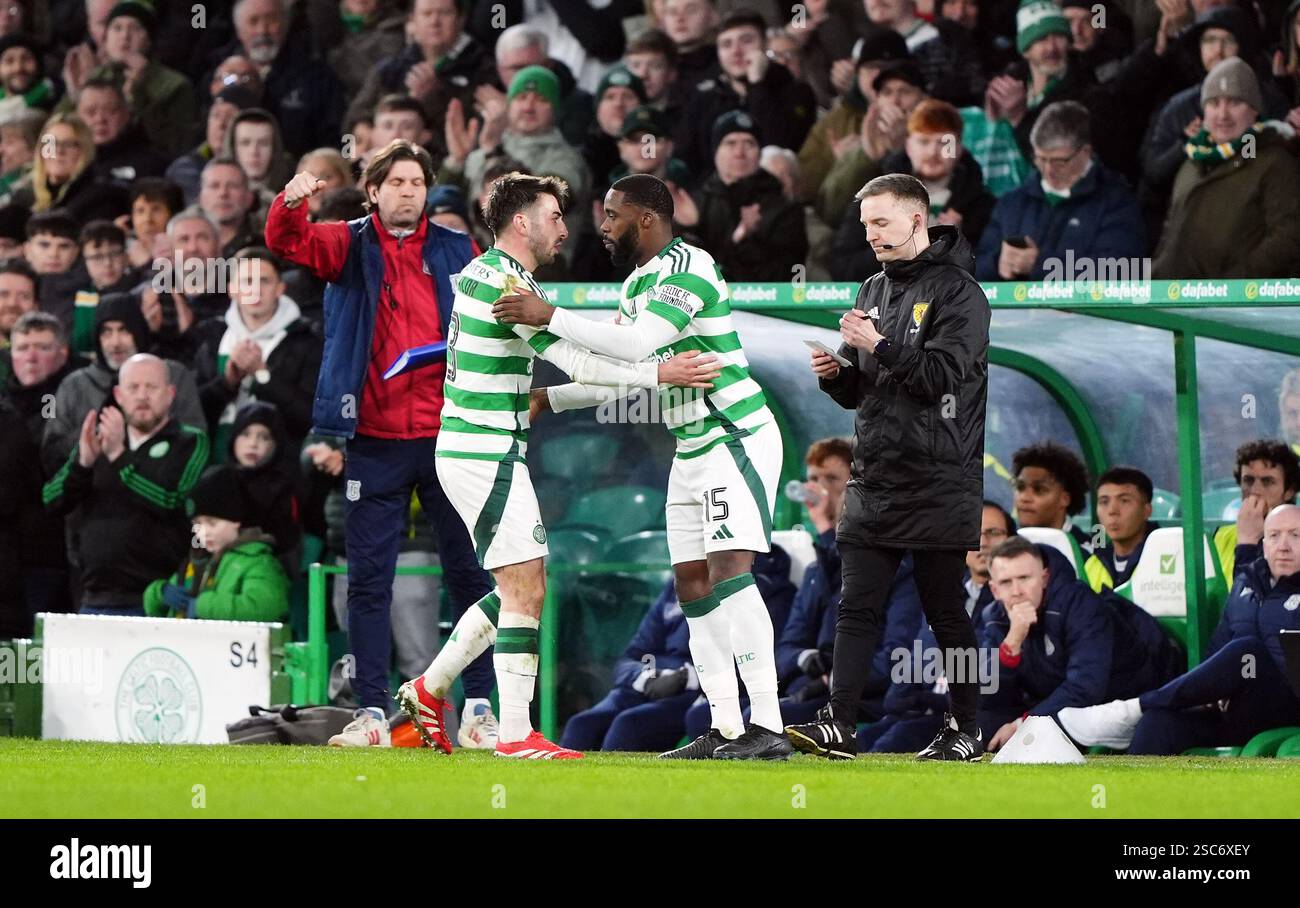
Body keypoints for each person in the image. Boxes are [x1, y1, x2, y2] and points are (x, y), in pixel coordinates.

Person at [393, 171, 717, 759]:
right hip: (480, 449)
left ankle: (428, 688)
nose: (565, 229)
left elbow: (573, 356)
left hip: (485, 447)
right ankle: (515, 734)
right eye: (554, 216)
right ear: (523, 222)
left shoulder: (496, 275)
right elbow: (574, 360)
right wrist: (657, 372)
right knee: (526, 586)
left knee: (516, 586)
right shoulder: (502, 284)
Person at [493, 173, 793, 761]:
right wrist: (550, 398)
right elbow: (626, 371)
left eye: (613, 215)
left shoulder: (689, 269)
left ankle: (770, 725)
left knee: (731, 572)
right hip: (690, 445)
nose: (602, 228)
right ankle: (726, 726)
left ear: (648, 218)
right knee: (691, 584)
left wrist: (547, 313)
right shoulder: (637, 285)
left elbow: (636, 347)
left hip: (735, 435)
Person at [261, 141, 499, 748]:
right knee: (369, 580)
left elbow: (480, 329)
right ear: (373, 192)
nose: (407, 192)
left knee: (470, 573)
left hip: (449, 435)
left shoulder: (455, 249)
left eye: (417, 182)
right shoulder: (346, 242)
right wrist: (291, 204)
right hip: (374, 438)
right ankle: (371, 713)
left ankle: (478, 709)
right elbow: (288, 241)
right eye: (395, 182)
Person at [784, 172, 990, 762]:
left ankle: (967, 728)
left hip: (939, 474)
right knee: (855, 604)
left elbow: (940, 379)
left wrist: (879, 345)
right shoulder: (871, 288)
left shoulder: (961, 293)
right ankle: (839, 724)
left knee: (945, 610)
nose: (870, 234)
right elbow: (864, 390)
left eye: (881, 222)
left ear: (916, 219)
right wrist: (837, 375)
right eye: (865, 224)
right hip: (875, 475)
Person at [1059, 504, 1300, 755]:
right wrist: (1209, 693)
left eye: (1295, 535)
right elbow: (1217, 650)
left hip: (1289, 708)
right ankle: (1128, 791)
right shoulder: (1244, 585)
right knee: (1158, 722)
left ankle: (1133, 708)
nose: (1283, 545)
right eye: (1274, 535)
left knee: (1248, 651)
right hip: (1238, 709)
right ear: (1264, 543)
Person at [42, 352, 209, 615]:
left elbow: (171, 499)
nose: (142, 396)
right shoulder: (97, 442)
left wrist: (119, 457)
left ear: (170, 393)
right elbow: (51, 500)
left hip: (159, 598)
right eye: (134, 387)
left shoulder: (190, 442)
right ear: (119, 396)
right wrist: (83, 464)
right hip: (95, 597)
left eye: (151, 387)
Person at [979, 535, 1181, 750]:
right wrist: (1012, 642)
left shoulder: (1081, 605)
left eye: (1024, 578)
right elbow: (984, 695)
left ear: (1044, 577)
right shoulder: (994, 618)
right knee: (978, 727)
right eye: (1006, 582)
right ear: (995, 590)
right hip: (1052, 705)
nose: (1017, 591)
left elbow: (1085, 687)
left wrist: (1024, 723)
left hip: (1113, 703)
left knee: (1034, 739)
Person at [1151, 57, 1300, 279]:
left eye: (1234, 102)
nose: (1222, 114)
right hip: (1175, 298)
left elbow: (1288, 236)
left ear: (1254, 111)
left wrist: (1235, 282)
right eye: (1214, 103)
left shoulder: (1275, 162)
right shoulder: (1191, 162)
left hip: (1233, 306)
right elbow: (1169, 234)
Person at [974, 100, 1144, 281]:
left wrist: (1042, 266)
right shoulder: (1013, 203)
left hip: (1081, 310)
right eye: (1040, 159)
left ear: (1085, 152)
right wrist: (997, 263)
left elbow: (1123, 270)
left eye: (1059, 161)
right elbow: (975, 268)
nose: (1048, 170)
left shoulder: (1116, 203)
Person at [143, 463, 289, 622]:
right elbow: (153, 609)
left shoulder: (258, 562)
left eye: (212, 523)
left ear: (236, 521)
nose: (203, 532)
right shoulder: (196, 561)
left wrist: (201, 606)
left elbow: (267, 607)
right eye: (197, 524)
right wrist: (159, 593)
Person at [1214, 439, 1299, 580]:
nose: (1255, 490)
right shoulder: (1221, 536)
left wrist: (1248, 542)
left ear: (1289, 490)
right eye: (1248, 480)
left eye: (1267, 482)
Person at [1011, 440, 1094, 554]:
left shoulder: (1089, 556)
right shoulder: (1003, 547)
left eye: (1039, 490)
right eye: (1020, 487)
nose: (1024, 497)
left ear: (1065, 499)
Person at [1084, 466, 1159, 592]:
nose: (1112, 511)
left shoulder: (1163, 558)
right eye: (1104, 502)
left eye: (1124, 501)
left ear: (1147, 511)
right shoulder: (1093, 563)